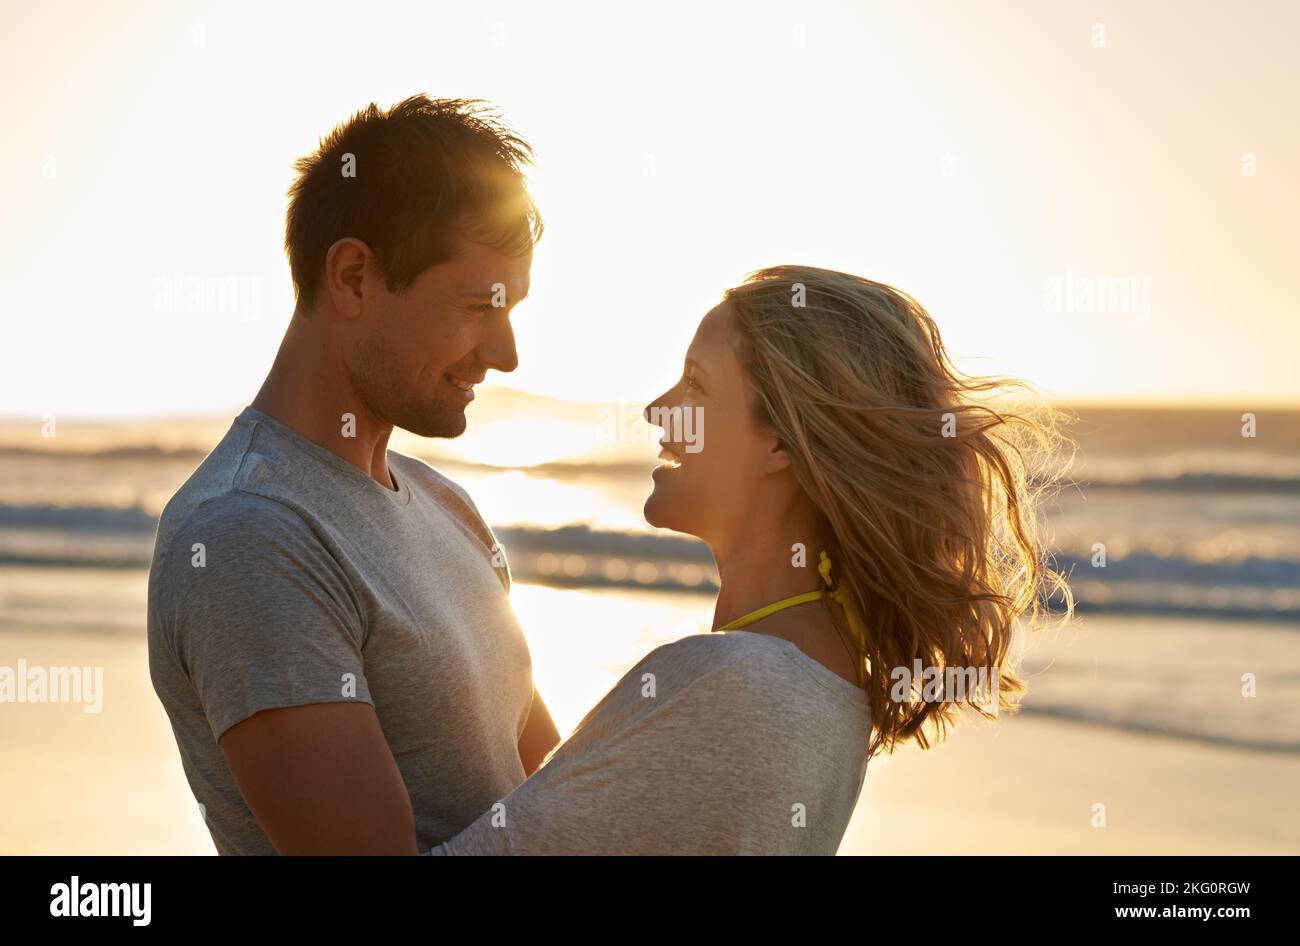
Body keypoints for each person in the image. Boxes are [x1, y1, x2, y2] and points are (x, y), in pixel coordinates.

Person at [432, 265, 1074, 855]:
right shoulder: (829, 681)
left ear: (781, 442)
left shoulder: (731, 681)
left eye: (696, 385)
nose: (659, 411)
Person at [147, 95, 559, 855]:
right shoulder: (248, 534)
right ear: (354, 277)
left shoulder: (447, 504)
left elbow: (554, 801)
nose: (505, 354)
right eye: (477, 306)